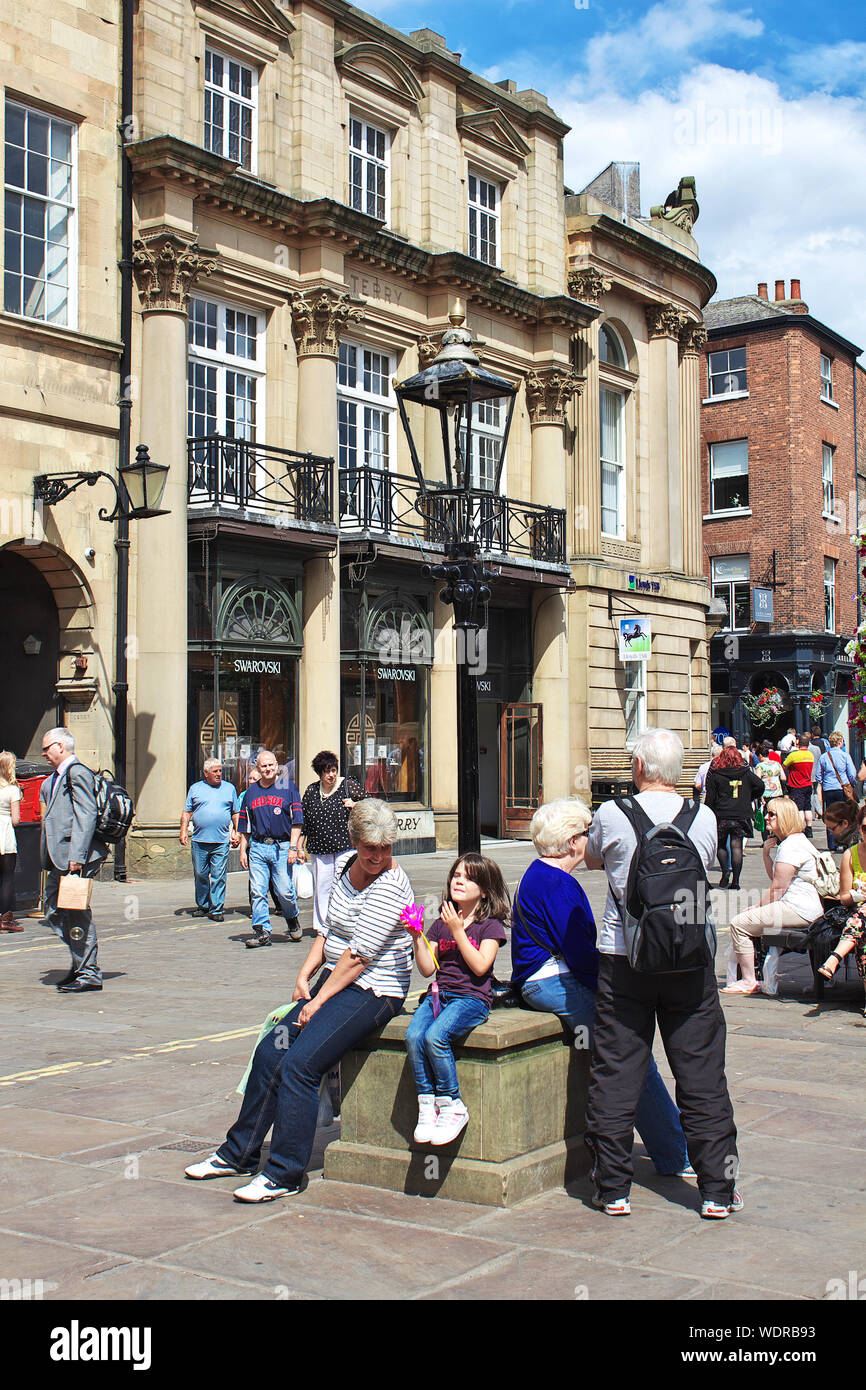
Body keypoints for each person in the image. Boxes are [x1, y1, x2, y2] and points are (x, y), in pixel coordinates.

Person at [184, 799, 413, 1201]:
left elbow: (360, 956)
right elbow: (328, 932)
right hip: (337, 975)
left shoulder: (392, 886)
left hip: (376, 987)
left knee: (301, 1065)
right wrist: (304, 974)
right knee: (272, 1050)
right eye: (370, 848)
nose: (377, 857)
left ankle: (285, 1173)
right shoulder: (344, 869)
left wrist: (317, 1001)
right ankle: (238, 1153)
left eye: (385, 849)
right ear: (354, 841)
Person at [583, 727, 740, 1220]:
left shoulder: (612, 814)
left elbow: (591, 859)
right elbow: (708, 863)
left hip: (624, 959)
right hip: (690, 961)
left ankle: (612, 1190)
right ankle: (717, 1190)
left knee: (617, 1070)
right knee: (702, 1075)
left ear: (639, 768)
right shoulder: (704, 816)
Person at [512, 798, 694, 1179]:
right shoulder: (560, 885)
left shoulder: (537, 874)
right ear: (573, 841)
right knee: (632, 1057)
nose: (593, 840)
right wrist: (614, 987)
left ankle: (671, 1147)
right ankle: (676, 1152)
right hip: (553, 981)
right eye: (588, 833)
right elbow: (580, 956)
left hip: (539, 980)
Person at [405, 854, 508, 1146]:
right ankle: (428, 1104)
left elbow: (480, 966)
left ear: (485, 889)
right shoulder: (440, 924)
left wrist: (458, 931)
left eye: (469, 878)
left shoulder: (490, 927)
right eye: (456, 875)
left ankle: (452, 1103)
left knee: (436, 1037)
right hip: (440, 995)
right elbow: (427, 969)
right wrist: (417, 937)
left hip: (471, 998)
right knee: (414, 1036)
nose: (459, 881)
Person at [724, 796, 824, 995]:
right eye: (766, 813)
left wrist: (758, 907)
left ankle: (748, 980)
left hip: (797, 908)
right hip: (804, 907)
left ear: (785, 817)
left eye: (772, 814)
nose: (766, 818)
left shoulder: (790, 846)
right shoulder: (795, 841)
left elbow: (778, 888)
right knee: (748, 919)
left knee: (739, 923)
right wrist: (765, 855)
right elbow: (777, 878)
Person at [39, 728, 108, 993]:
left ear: (60, 746)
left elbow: (86, 814)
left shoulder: (77, 772)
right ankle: (82, 961)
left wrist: (77, 857)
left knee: (75, 913)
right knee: (54, 910)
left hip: (74, 857)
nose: (44, 753)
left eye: (46, 748)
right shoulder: (54, 778)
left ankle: (88, 972)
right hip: (60, 857)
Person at [239, 749, 304, 946]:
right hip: (258, 847)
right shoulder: (251, 792)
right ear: (258, 768)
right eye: (263, 766)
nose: (267, 769)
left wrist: (293, 847)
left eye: (270, 765)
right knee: (258, 891)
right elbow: (246, 826)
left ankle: (292, 918)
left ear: (277, 766)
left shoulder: (288, 788)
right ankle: (262, 932)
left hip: (282, 847)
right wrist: (243, 849)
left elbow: (297, 821)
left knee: (284, 891)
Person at [301, 752, 366, 935]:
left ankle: (344, 922)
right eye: (327, 771)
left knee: (343, 884)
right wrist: (297, 846)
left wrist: (355, 805)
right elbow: (304, 821)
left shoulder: (348, 785)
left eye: (334, 770)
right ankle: (323, 926)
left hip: (345, 846)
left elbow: (371, 804)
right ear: (319, 773)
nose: (331, 775)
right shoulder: (312, 791)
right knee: (322, 887)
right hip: (319, 848)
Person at [180, 758, 240, 922]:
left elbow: (236, 813)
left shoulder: (229, 789)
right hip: (199, 840)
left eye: (220, 771)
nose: (219, 774)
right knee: (200, 874)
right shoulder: (195, 789)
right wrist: (183, 830)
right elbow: (187, 812)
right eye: (215, 771)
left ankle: (217, 908)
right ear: (206, 773)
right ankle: (203, 905)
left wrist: (236, 831)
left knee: (218, 875)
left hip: (221, 841)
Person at [705, 743, 765, 889]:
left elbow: (710, 797)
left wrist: (708, 812)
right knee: (736, 846)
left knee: (720, 844)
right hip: (740, 813)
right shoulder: (745, 773)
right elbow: (760, 786)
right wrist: (749, 796)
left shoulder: (717, 774)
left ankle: (725, 871)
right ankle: (736, 881)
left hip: (722, 813)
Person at [814, 733, 857, 850]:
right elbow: (852, 774)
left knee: (830, 815)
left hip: (828, 789)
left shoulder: (824, 757)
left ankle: (832, 844)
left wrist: (824, 782)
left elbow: (818, 776)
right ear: (840, 742)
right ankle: (844, 842)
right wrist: (852, 784)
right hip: (842, 788)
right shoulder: (845, 756)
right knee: (844, 815)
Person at [0, 751, 24, 932]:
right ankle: (5, 919)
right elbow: (16, 820)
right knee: (7, 877)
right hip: (6, 833)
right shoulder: (13, 790)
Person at [783, 734, 817, 838]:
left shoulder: (794, 755)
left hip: (797, 785)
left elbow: (784, 766)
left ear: (798, 743)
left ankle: (801, 828)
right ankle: (809, 828)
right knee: (808, 807)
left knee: (799, 808)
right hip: (808, 783)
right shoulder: (810, 755)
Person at [754, 740, 786, 842]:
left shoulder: (760, 766)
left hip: (766, 794)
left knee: (766, 817)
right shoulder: (777, 764)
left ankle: (766, 839)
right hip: (778, 793)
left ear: (760, 755)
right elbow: (784, 778)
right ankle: (779, 836)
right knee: (777, 816)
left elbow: (757, 781)